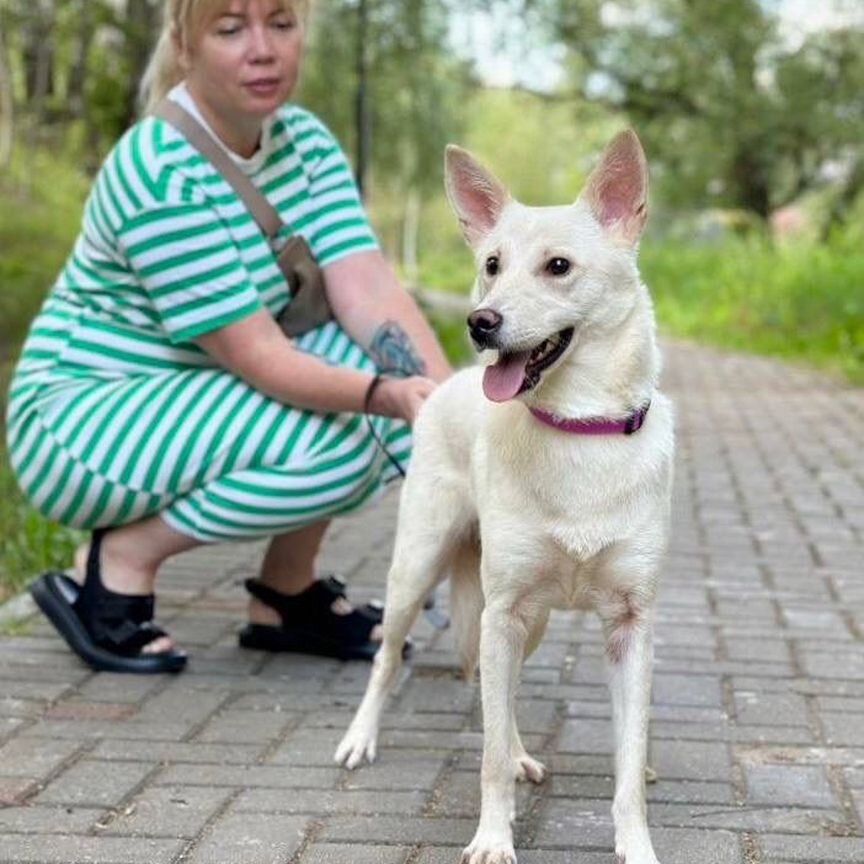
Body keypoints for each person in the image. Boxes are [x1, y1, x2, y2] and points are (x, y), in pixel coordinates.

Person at [4, 0, 451, 674]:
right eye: (231, 28)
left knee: (402, 411)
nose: (263, 48)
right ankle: (119, 562)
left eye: (281, 22)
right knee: (344, 438)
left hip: (187, 395)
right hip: (79, 419)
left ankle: (286, 596)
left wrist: (457, 419)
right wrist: (387, 395)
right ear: (185, 45)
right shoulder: (158, 169)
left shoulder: (303, 139)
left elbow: (369, 293)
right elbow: (261, 358)